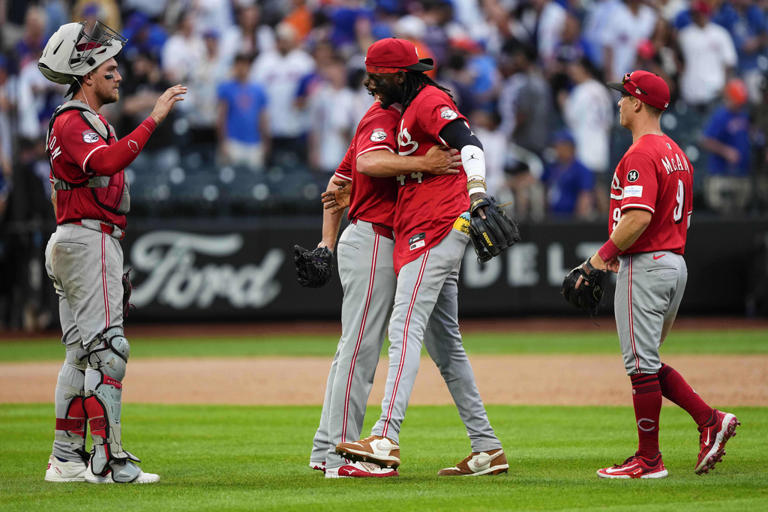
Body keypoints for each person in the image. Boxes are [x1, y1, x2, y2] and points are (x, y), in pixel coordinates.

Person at [336, 38, 508, 476]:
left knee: (403, 325)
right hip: (422, 227)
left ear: (396, 75)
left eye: (375, 74)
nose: (369, 81)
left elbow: (469, 144)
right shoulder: (408, 110)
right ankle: (487, 447)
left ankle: (386, 437)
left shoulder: (429, 100)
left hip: (436, 227)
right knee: (445, 345)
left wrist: (477, 192)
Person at [38, 20, 186, 484]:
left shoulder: (86, 119)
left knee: (81, 354)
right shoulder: (70, 119)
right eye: (110, 69)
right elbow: (106, 162)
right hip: (86, 238)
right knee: (109, 351)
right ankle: (109, 461)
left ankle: (65, 458)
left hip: (81, 237)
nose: (119, 75)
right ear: (86, 75)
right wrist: (155, 117)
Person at [580, 70, 739, 479]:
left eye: (623, 96)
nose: (618, 103)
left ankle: (649, 460)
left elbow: (637, 216)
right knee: (647, 363)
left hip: (647, 265)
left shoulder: (640, 153)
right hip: (672, 262)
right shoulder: (676, 152)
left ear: (638, 103)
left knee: (640, 365)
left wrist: (600, 258)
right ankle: (710, 420)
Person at [308, 89, 461, 479]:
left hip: (374, 239)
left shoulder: (386, 120)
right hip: (375, 237)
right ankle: (339, 456)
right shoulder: (384, 118)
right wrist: (423, 162)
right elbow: (365, 162)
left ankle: (327, 447)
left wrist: (326, 243)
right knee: (360, 349)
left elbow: (336, 183)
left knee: (352, 348)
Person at [699, 78, 751, 215]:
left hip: (741, 173)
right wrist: (725, 151)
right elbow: (705, 140)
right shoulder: (720, 116)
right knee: (724, 215)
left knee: (741, 214)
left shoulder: (744, 114)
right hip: (721, 174)